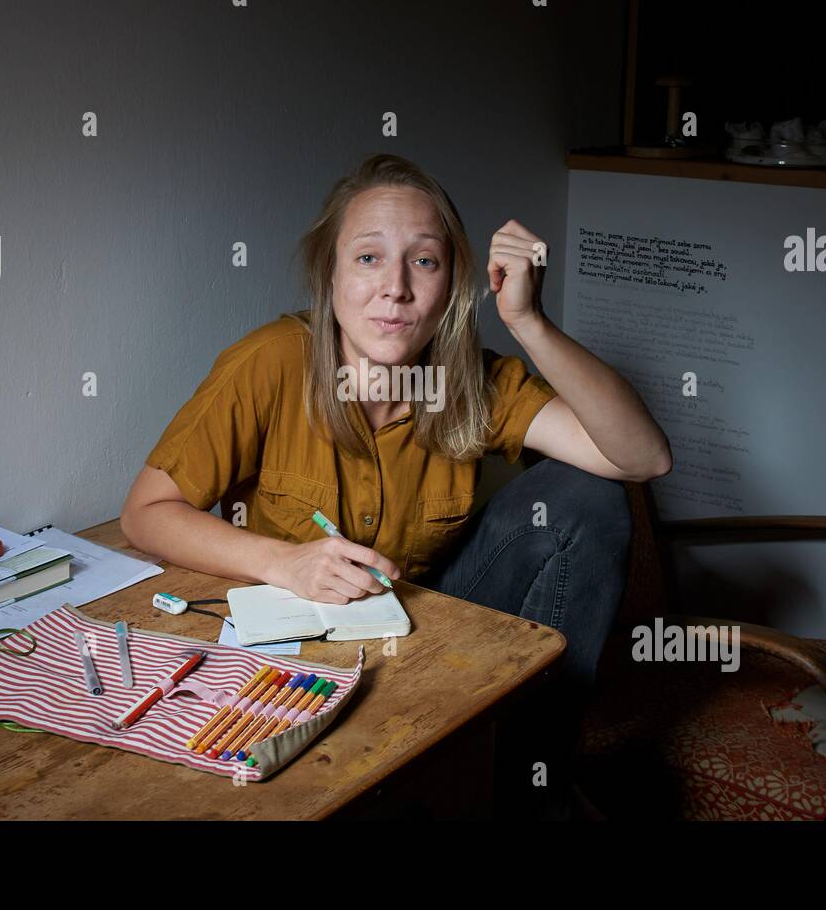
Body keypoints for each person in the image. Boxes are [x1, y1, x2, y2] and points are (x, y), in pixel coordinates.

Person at [121, 152, 671, 817]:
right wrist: (285, 562)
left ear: (452, 284)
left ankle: (533, 777)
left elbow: (641, 458)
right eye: (368, 257)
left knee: (585, 495)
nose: (397, 287)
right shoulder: (270, 361)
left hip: (429, 620)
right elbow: (145, 513)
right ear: (329, 275)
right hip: (295, 646)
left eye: (426, 260)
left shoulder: (474, 378)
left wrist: (529, 321)